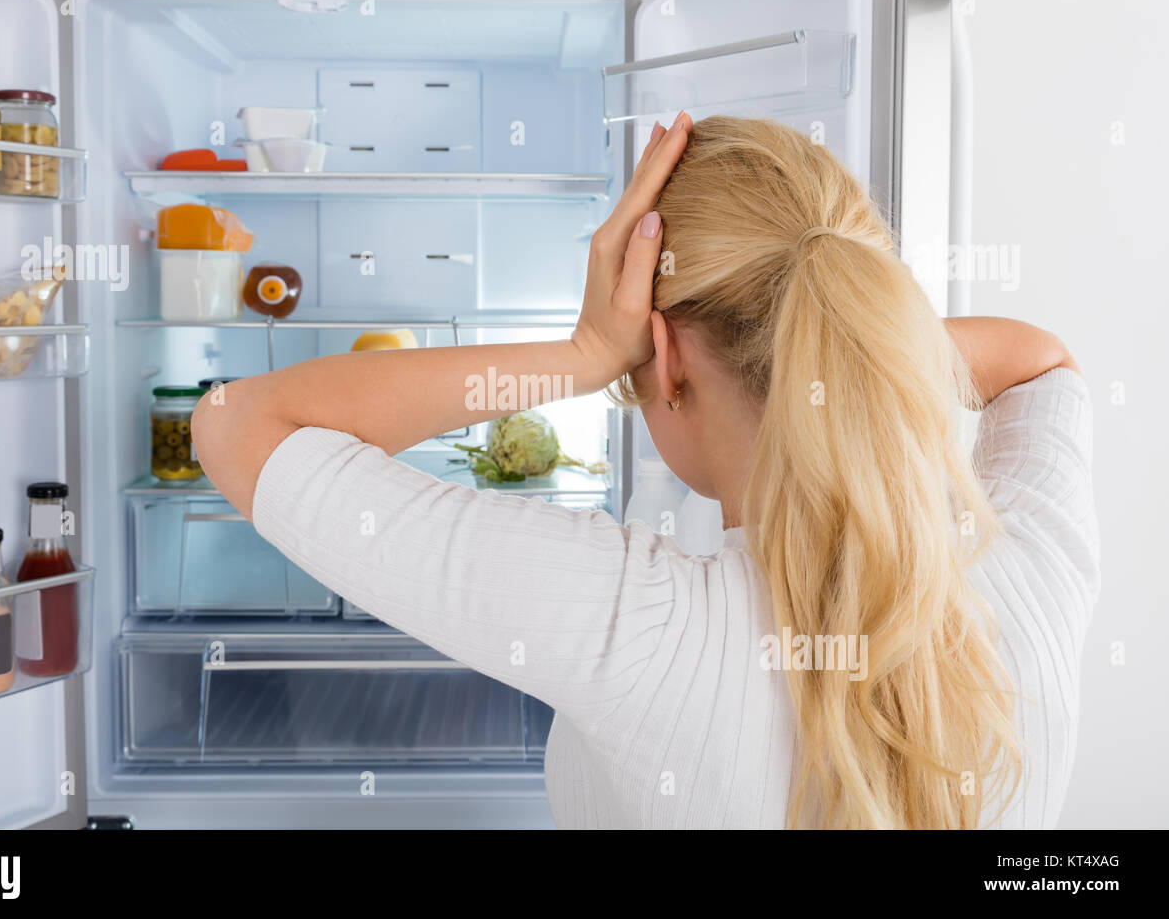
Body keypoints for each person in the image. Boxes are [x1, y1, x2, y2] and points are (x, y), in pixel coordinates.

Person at [192, 112, 1098, 829]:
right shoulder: (1034, 574)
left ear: (661, 361)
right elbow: (1041, 360)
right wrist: (846, 346)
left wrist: (581, 352)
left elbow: (234, 426)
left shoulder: (634, 621)